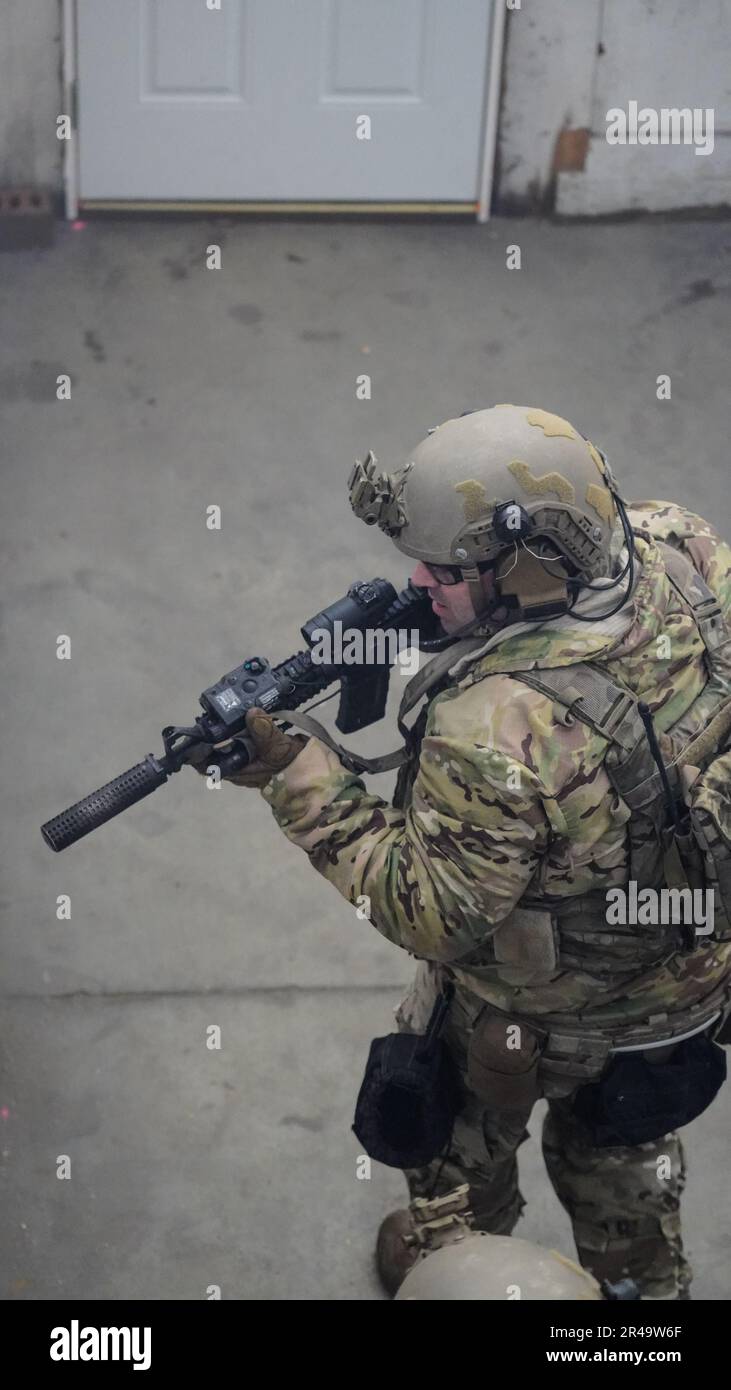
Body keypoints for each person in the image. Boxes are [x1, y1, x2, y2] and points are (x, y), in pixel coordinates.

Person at [194, 405, 731, 1300]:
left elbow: (427, 910)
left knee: (450, 1158)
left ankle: (464, 1267)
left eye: (446, 568)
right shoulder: (682, 548)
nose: (418, 579)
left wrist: (297, 774)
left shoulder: (493, 728)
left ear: (526, 569)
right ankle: (644, 1309)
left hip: (521, 1021)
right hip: (681, 994)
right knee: (626, 1165)